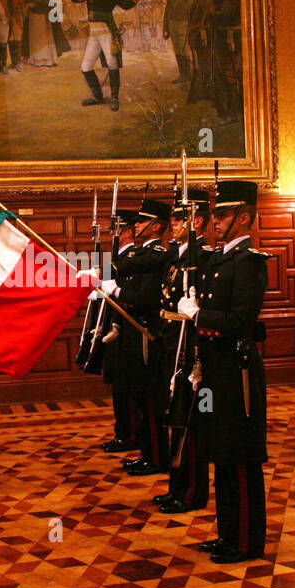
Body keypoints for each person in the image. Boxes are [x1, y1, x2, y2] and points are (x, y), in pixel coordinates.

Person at [177, 180, 268, 564]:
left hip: (237, 370)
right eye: (214, 214)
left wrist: (199, 314)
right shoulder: (219, 260)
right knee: (221, 455)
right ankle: (228, 533)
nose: (214, 221)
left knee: (241, 458)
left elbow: (240, 321)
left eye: (223, 214)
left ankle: (246, 541)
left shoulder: (249, 262)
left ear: (244, 218)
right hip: (214, 370)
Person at [104, 198, 173, 476]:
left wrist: (116, 291)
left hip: (147, 335)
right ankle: (148, 453)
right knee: (140, 399)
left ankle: (156, 457)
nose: (136, 226)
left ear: (156, 226)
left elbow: (145, 297)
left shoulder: (155, 255)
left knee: (150, 401)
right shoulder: (141, 256)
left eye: (142, 222)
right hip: (134, 334)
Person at [155, 188, 211, 513]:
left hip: (188, 341)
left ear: (196, 220)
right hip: (171, 336)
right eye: (174, 219)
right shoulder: (178, 256)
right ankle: (176, 486)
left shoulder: (201, 256)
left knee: (189, 417)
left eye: (179, 218)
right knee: (173, 416)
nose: (173, 225)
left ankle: (191, 492)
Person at [69, 0, 138, 111]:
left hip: (107, 30)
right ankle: (98, 97)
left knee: (112, 64)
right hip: (94, 32)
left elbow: (126, 5)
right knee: (86, 66)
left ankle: (114, 98)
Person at [100, 212, 141, 456]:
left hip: (129, 330)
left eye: (116, 229)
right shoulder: (117, 259)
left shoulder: (134, 258)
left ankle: (130, 434)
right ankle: (123, 431)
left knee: (128, 389)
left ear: (126, 233)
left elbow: (131, 295)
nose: (111, 234)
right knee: (119, 387)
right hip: (116, 328)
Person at [209, 0, 242, 124]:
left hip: (232, 41)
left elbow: (223, 16)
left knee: (230, 76)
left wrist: (213, 13)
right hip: (225, 39)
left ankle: (232, 113)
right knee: (226, 75)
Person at [21, 0, 68, 67]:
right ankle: (36, 60)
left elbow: (53, 6)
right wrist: (28, 6)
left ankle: (48, 60)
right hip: (33, 22)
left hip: (44, 20)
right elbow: (24, 13)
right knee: (35, 41)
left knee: (45, 40)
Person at [186, 0, 214, 103]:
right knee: (201, 63)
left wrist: (201, 31)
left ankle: (205, 91)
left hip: (202, 35)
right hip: (196, 34)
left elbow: (205, 17)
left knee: (204, 63)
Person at [162, 0, 193, 84]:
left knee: (184, 50)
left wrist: (190, 27)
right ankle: (182, 74)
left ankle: (188, 75)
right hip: (173, 26)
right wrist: (165, 29)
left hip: (183, 25)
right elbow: (167, 15)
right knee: (178, 51)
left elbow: (191, 14)